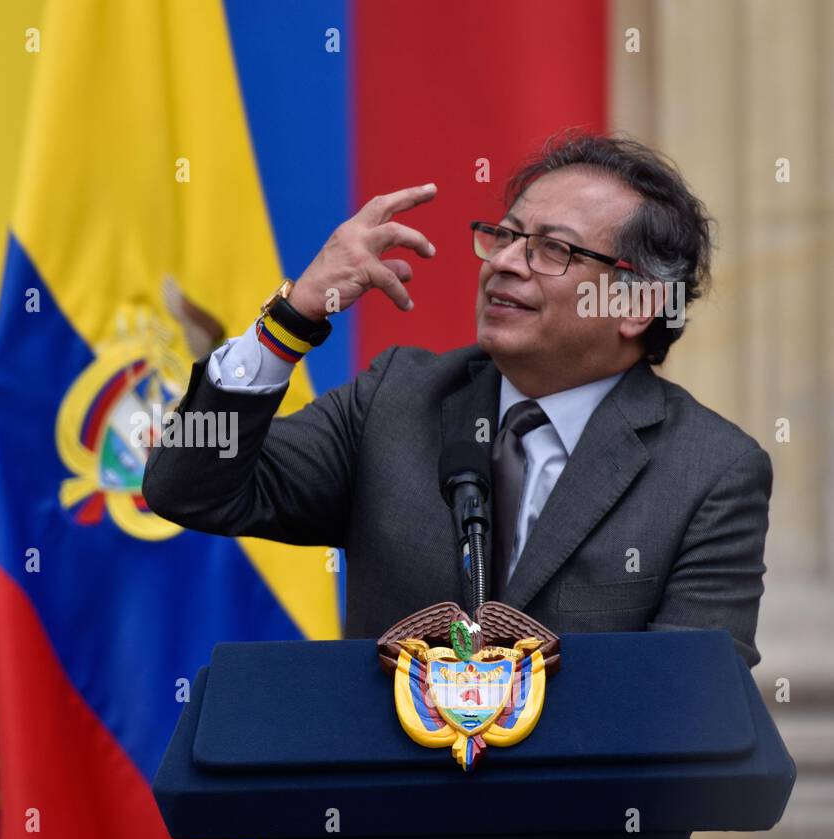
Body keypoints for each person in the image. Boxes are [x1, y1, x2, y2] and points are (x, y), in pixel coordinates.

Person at [143, 132, 773, 669]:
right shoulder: (396, 400)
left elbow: (688, 706)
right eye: (504, 236)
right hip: (391, 811)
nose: (505, 263)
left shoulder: (709, 471)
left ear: (636, 305)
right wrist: (290, 321)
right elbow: (191, 488)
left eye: (553, 249)